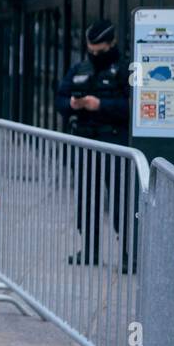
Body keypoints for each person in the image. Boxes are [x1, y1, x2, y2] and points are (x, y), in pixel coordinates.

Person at [55, 18, 133, 269]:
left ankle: (128, 253)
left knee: (121, 199)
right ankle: (89, 250)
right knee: (87, 199)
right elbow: (60, 98)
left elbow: (133, 108)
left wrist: (101, 106)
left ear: (112, 44)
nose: (95, 55)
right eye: (91, 51)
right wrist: (72, 105)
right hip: (85, 141)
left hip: (114, 142)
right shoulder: (79, 69)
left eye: (100, 51)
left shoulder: (126, 70)